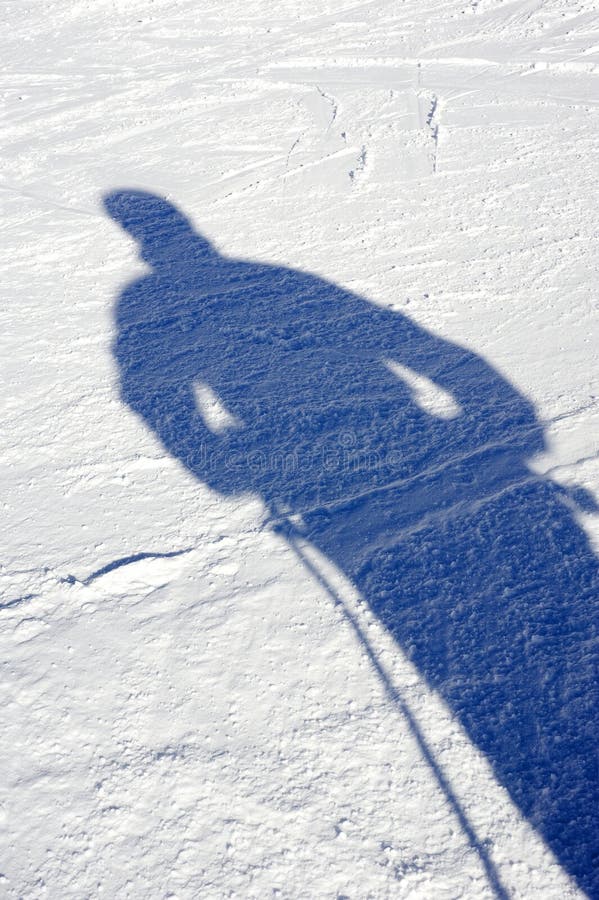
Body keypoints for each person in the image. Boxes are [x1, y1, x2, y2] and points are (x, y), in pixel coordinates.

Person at [106, 189, 599, 897]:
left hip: (317, 490)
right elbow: (401, 338)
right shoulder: (256, 281)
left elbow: (154, 395)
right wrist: (506, 420)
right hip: (341, 473)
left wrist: (221, 469)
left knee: (467, 631)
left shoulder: (152, 303)